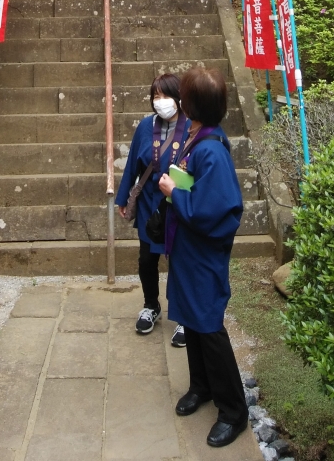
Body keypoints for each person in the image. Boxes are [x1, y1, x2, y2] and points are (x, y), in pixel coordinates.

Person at [158, 67, 248, 449]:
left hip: (204, 254)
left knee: (209, 326)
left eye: (183, 97)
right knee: (192, 321)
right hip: (188, 249)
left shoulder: (211, 150)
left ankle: (234, 412)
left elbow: (216, 210)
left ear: (192, 104)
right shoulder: (198, 135)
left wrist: (173, 192)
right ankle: (202, 386)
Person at [115, 73, 190, 347]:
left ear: (179, 98)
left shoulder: (191, 126)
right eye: (156, 97)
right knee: (146, 258)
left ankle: (184, 317)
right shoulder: (146, 127)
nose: (160, 102)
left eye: (166, 96)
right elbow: (133, 165)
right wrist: (123, 198)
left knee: (179, 261)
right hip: (149, 203)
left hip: (178, 204)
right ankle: (151, 305)